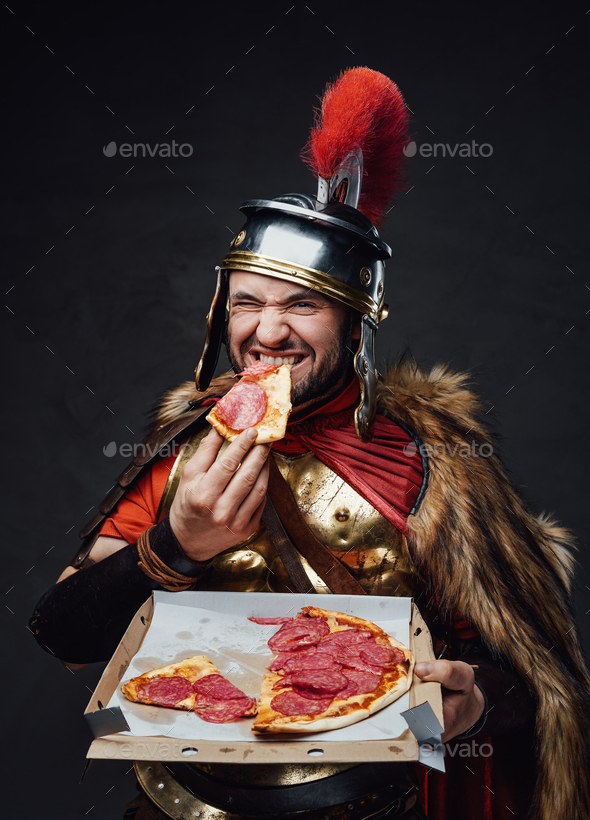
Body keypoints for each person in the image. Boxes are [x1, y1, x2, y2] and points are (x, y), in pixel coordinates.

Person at [30, 68, 590, 820]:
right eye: (248, 303)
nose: (266, 332)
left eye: (303, 305)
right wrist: (177, 543)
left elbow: (535, 675)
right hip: (180, 803)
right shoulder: (192, 446)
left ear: (356, 328)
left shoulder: (433, 466)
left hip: (371, 805)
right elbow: (63, 635)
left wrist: (475, 702)